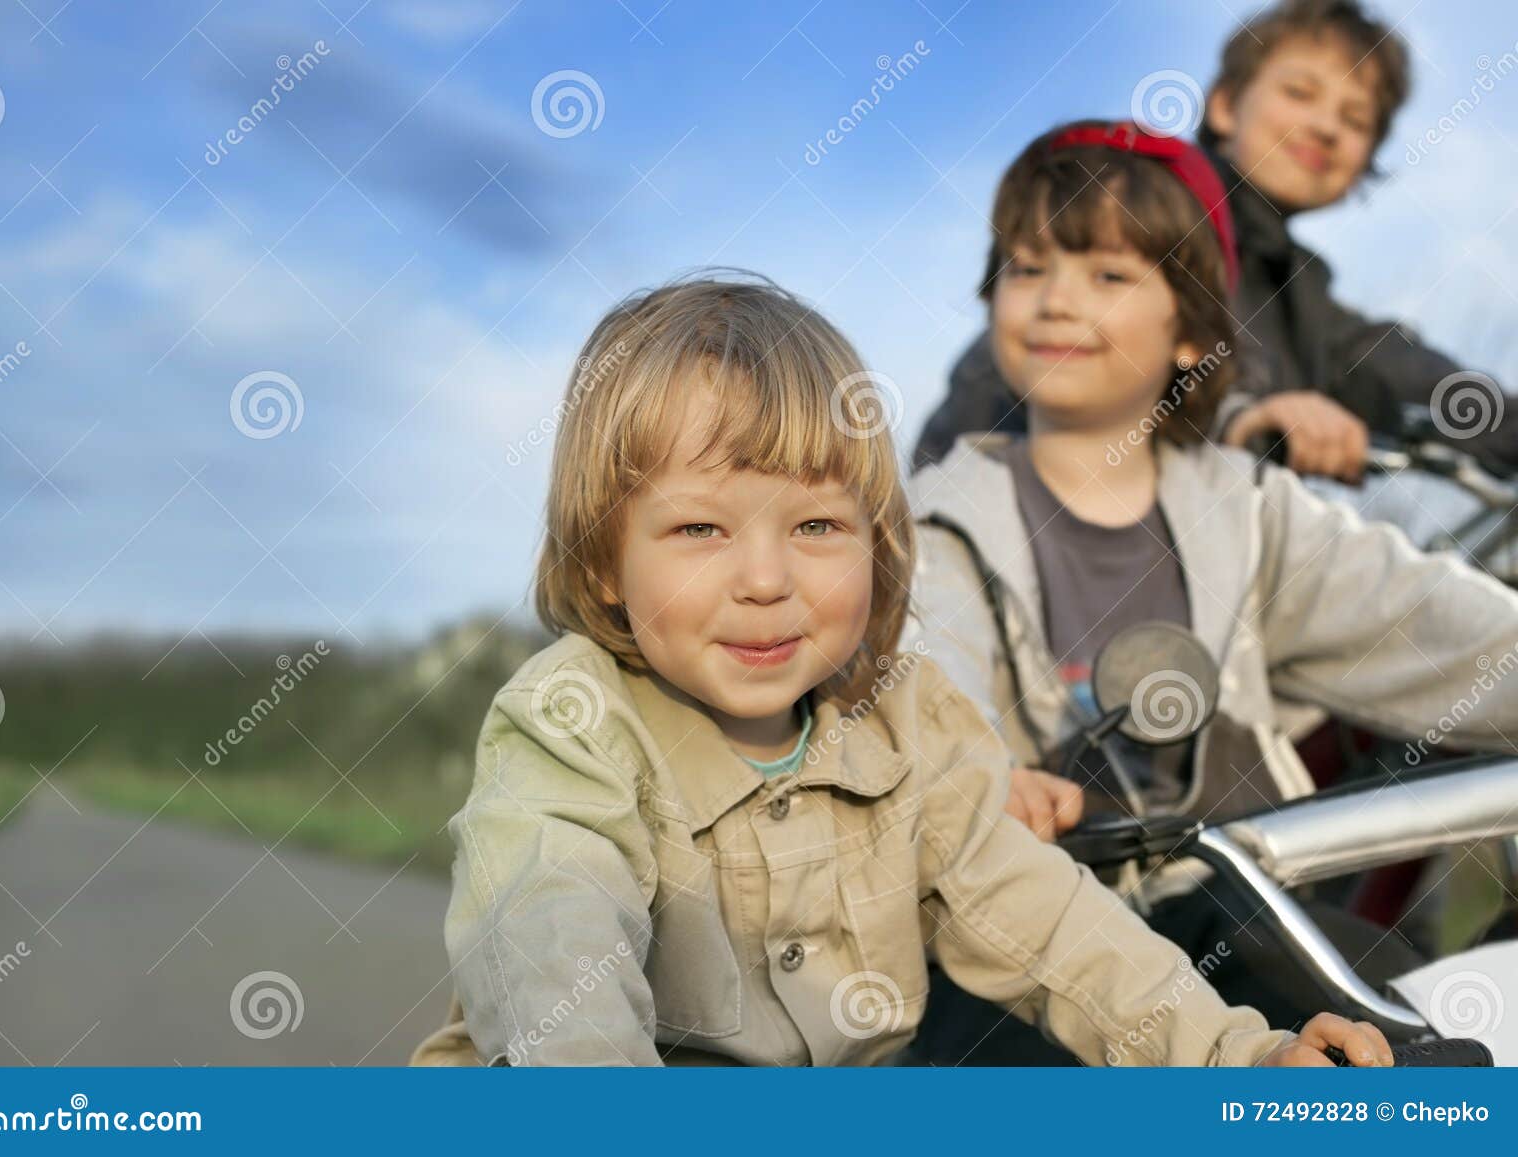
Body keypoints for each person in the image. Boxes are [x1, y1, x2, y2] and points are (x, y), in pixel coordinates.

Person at [409, 272, 1389, 1067]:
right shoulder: (572, 718)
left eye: (817, 526)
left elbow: (1054, 928)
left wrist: (1235, 1058)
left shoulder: (909, 723)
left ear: (876, 553)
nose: (764, 578)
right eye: (700, 527)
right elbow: (548, 924)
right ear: (601, 566)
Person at [901, 120, 1518, 1064]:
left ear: (1191, 331)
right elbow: (926, 683)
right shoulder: (932, 524)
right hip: (1029, 942)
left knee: (1410, 1040)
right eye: (1028, 269)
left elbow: (1436, 625)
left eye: (1108, 276)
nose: (1057, 299)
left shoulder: (1249, 510)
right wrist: (977, 779)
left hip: (1230, 912)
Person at [914, 0, 1515, 486]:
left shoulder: (1300, 292)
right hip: (1016, 538)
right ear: (1225, 105)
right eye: (1300, 93)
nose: (1327, 127)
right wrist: (1247, 412)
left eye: (1356, 120)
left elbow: (1397, 370)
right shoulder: (1138, 210)